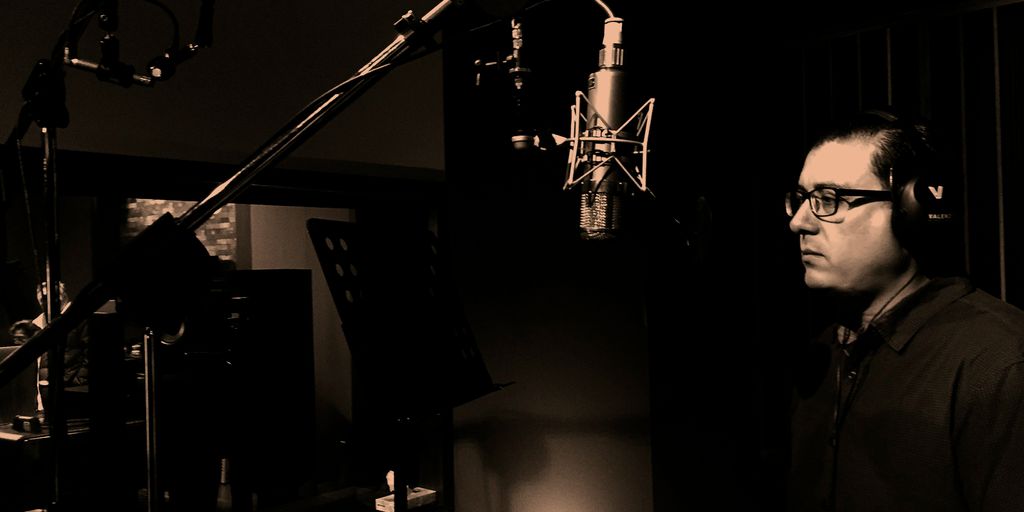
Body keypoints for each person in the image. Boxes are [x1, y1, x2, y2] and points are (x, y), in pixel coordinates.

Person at [784, 109, 1024, 511]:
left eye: (829, 199)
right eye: (801, 199)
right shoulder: (825, 354)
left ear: (911, 210)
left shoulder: (998, 362)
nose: (799, 222)